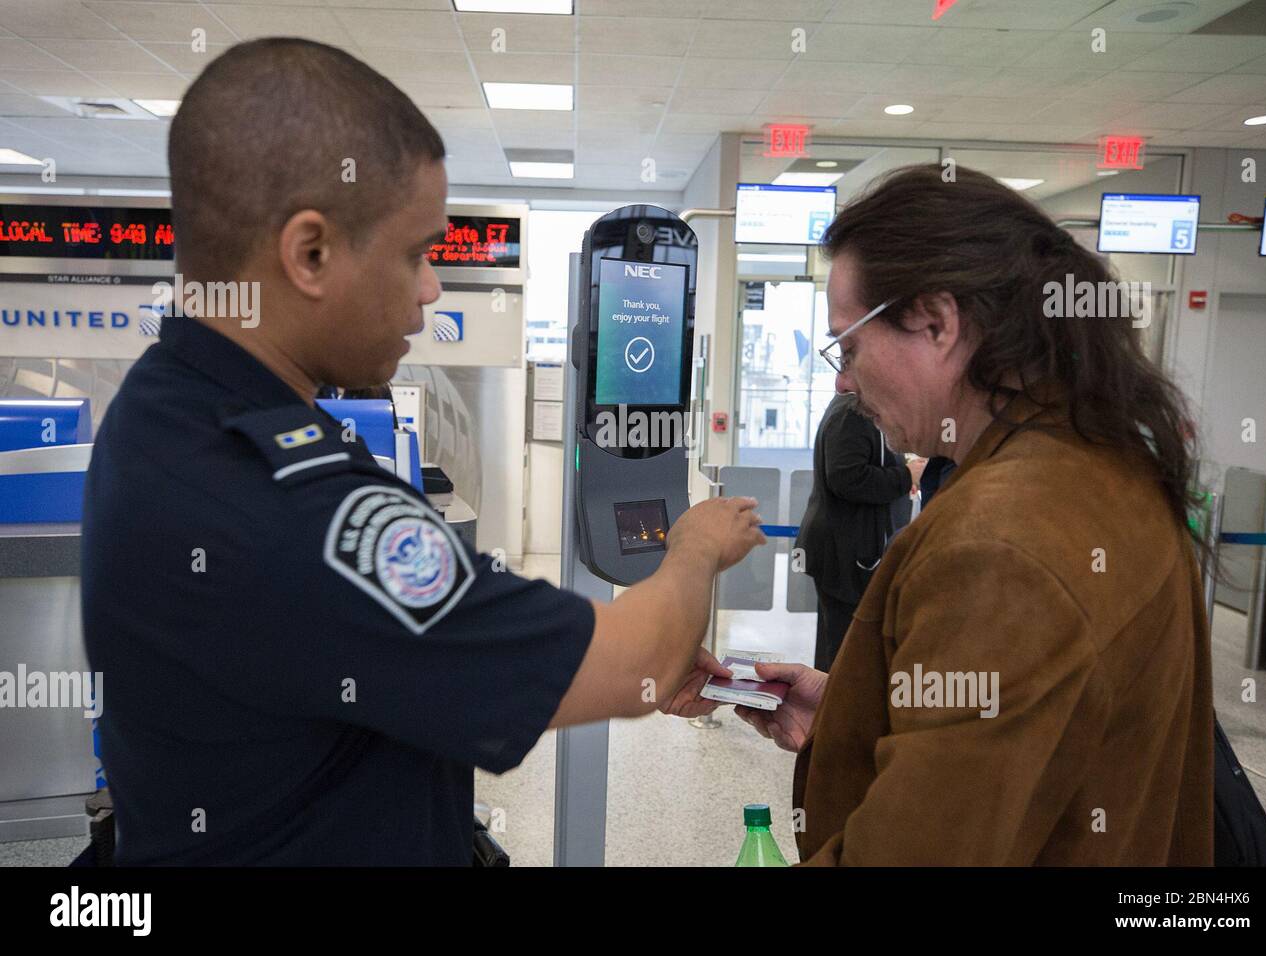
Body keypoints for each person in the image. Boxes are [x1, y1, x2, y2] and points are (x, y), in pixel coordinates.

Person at [79, 38, 763, 866]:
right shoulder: (298, 510)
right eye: (415, 253)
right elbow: (636, 664)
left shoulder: (161, 408)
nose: (433, 287)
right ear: (310, 253)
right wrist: (692, 549)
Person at [727, 164, 1213, 865]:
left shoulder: (1001, 543)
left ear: (936, 322)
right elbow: (1030, 736)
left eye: (850, 344)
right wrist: (848, 713)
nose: (842, 377)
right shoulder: (1105, 467)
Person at [796, 392, 920, 670]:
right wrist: (906, 476)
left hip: (850, 548)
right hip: (847, 554)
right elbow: (847, 478)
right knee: (844, 650)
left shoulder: (862, 410)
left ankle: (831, 707)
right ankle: (837, 709)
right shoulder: (852, 412)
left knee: (839, 646)